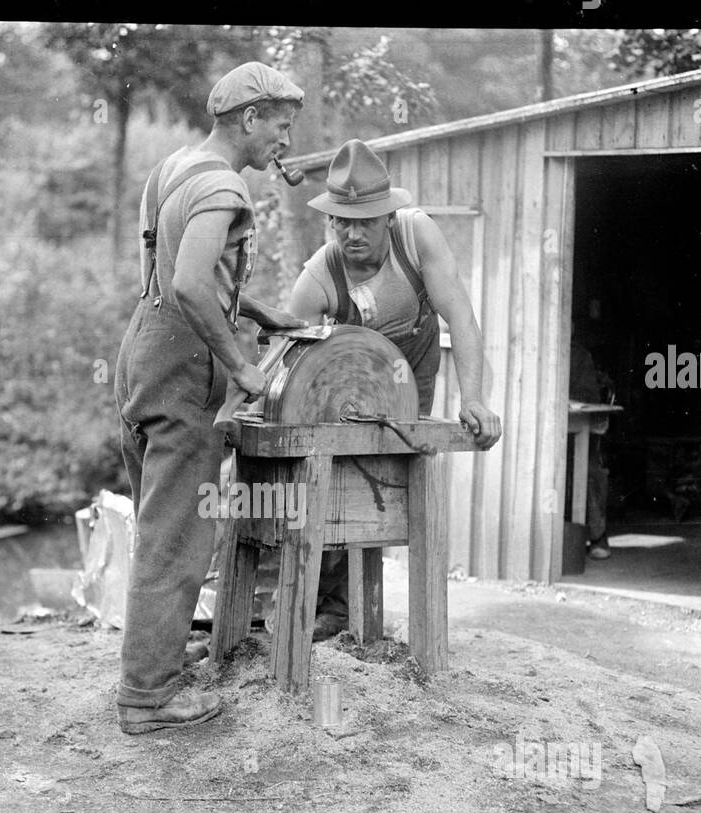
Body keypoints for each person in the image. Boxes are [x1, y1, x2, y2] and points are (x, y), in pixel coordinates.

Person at [114, 62, 307, 734]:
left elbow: (176, 272)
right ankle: (148, 697)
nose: (285, 140)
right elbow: (193, 283)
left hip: (143, 350)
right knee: (177, 538)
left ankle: (156, 665)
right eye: (281, 125)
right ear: (249, 119)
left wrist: (261, 311)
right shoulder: (225, 189)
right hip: (184, 370)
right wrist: (243, 366)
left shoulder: (176, 168)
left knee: (157, 527)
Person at [284, 139, 502, 639]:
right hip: (344, 373)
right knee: (336, 470)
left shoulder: (417, 234)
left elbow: (462, 319)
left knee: (392, 467)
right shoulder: (316, 280)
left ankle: (365, 608)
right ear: (330, 221)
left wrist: (473, 399)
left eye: (365, 221)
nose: (353, 232)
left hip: (411, 361)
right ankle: (330, 605)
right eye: (343, 221)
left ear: (388, 217)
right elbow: (288, 367)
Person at [569, 330, 615, 559]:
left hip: (578, 433)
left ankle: (598, 536)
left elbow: (590, 396)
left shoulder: (580, 357)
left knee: (589, 470)